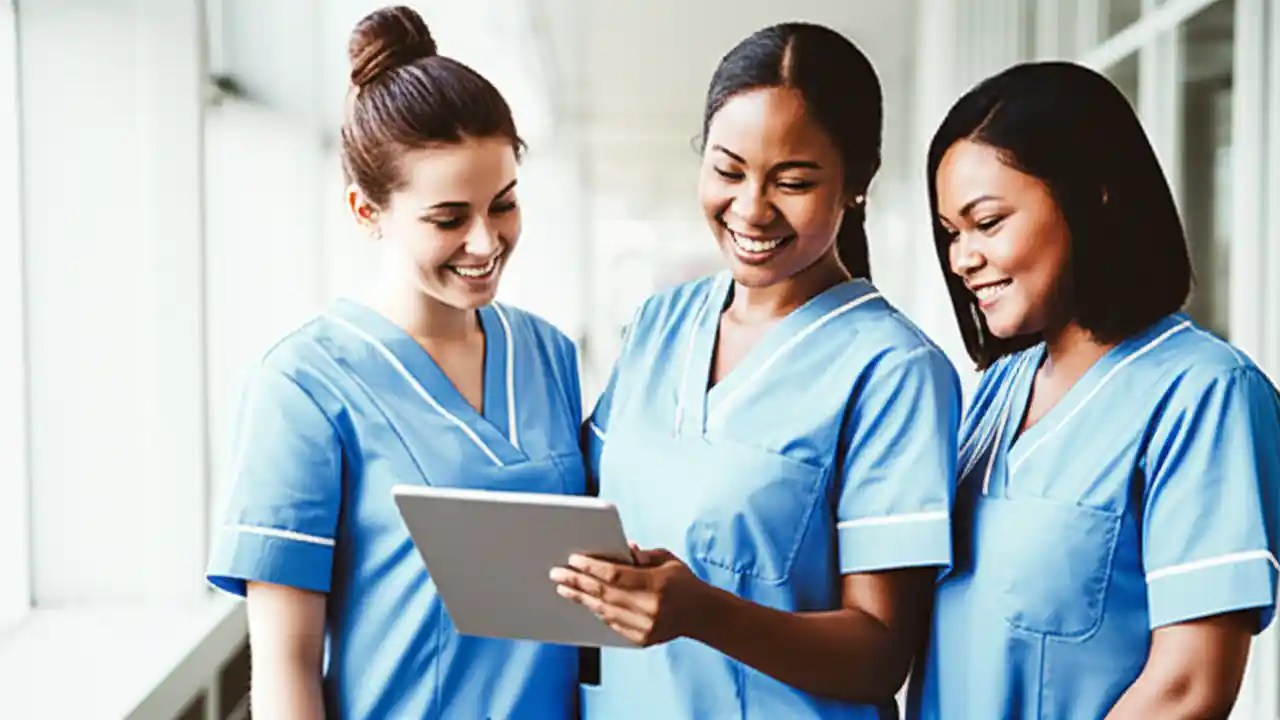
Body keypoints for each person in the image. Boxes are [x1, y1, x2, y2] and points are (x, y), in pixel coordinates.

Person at [551, 22, 961, 719]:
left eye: (793, 181)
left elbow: (881, 654)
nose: (750, 207)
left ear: (857, 184)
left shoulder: (894, 372)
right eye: (727, 169)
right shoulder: (659, 325)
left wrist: (702, 612)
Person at [206, 7, 583, 718]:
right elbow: (286, 665)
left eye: (503, 205)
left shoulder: (546, 355)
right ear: (364, 210)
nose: (485, 242)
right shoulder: (303, 386)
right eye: (448, 219)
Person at [908, 61, 1280, 720]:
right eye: (950, 234)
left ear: (1095, 196)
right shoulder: (997, 392)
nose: (962, 257)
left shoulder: (1205, 394)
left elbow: (1189, 688)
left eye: (987, 222)